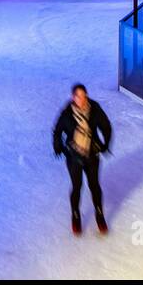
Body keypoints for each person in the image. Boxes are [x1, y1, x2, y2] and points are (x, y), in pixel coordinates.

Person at [52, 84, 112, 236]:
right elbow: (57, 131)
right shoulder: (67, 114)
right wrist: (57, 146)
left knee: (94, 186)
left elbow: (106, 126)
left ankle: (99, 214)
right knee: (77, 186)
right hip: (74, 157)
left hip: (92, 155)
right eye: (78, 96)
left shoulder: (94, 109)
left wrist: (105, 144)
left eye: (84, 95)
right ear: (73, 97)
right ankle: (76, 214)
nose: (81, 99)